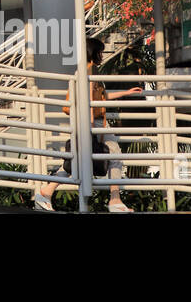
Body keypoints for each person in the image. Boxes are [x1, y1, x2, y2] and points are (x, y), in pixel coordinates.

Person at [34, 37, 142, 213]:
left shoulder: (83, 71)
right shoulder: (90, 71)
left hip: (88, 123)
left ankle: (45, 192)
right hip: (95, 123)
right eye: (100, 51)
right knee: (114, 156)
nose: (101, 55)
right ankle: (115, 200)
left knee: (74, 161)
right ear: (93, 52)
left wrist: (126, 92)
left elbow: (101, 97)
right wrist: (91, 126)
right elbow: (91, 100)